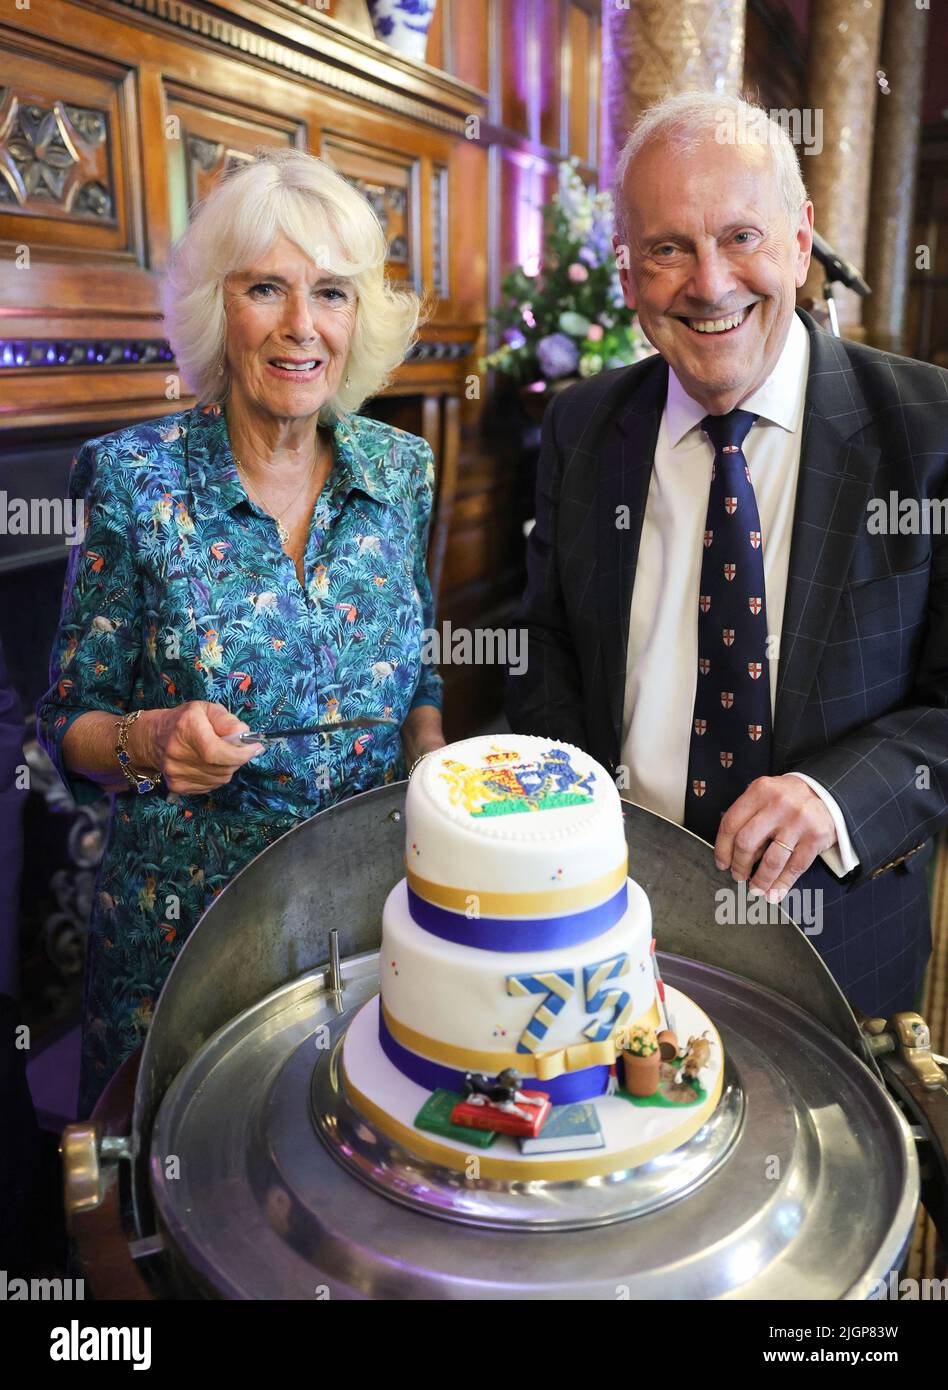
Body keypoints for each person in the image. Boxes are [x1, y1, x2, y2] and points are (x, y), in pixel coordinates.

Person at [506, 91, 948, 1019]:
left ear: (799, 240)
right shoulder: (584, 428)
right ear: (628, 273)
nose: (709, 285)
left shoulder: (931, 432)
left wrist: (833, 798)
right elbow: (545, 638)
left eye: (741, 236)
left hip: (838, 943)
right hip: (608, 925)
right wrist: (568, 816)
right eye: (669, 249)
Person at [38, 149, 445, 1116]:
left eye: (333, 295)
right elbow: (65, 729)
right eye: (268, 288)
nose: (303, 327)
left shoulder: (401, 473)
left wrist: (432, 754)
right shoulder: (135, 481)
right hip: (187, 947)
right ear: (221, 312)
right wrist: (149, 741)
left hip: (368, 925)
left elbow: (418, 663)